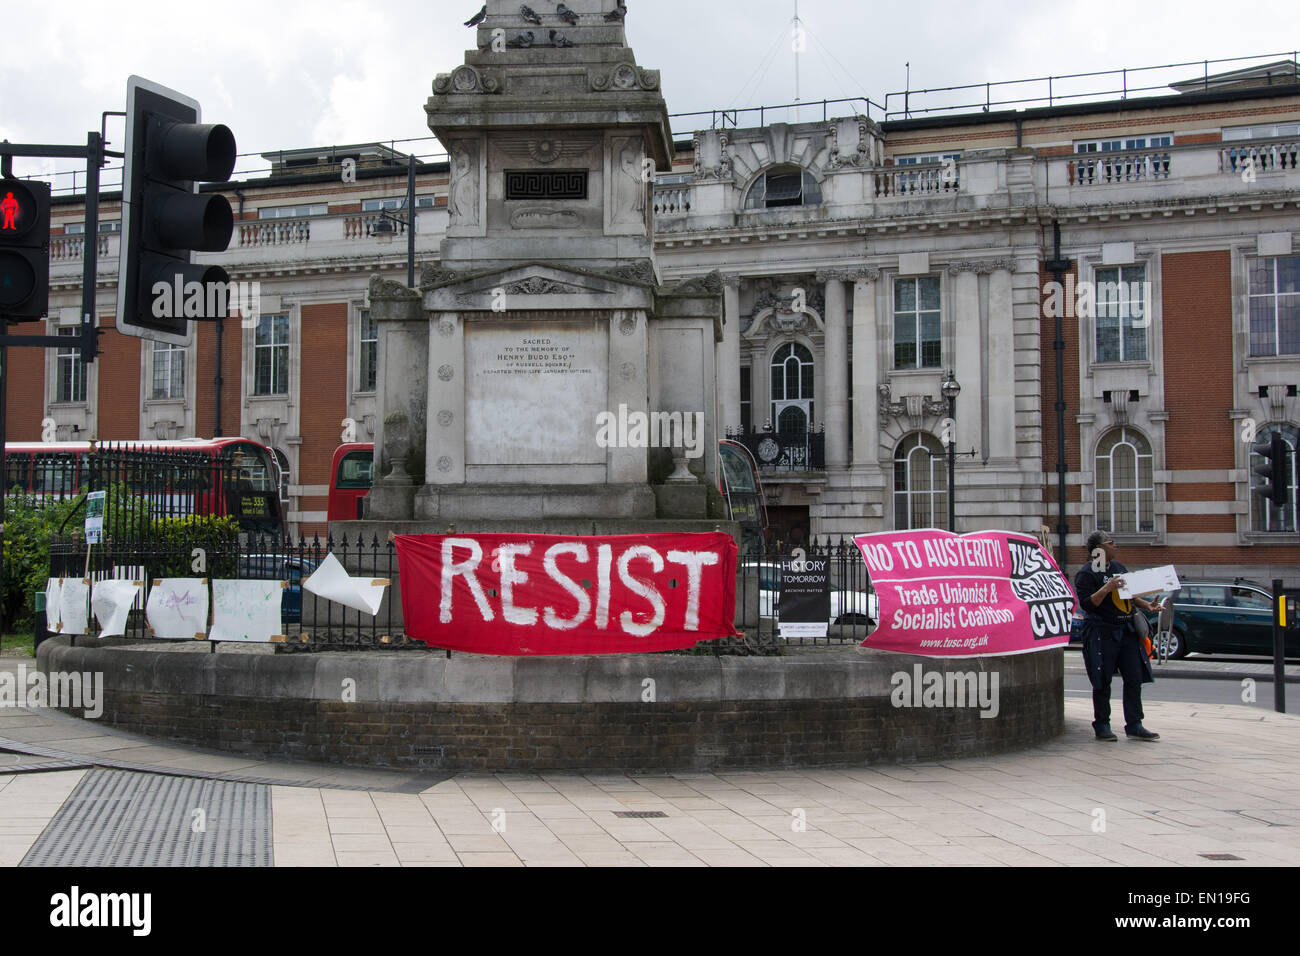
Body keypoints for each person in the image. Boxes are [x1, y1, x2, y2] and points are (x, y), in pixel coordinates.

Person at [1074, 530, 1167, 742]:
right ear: (1099, 549)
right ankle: (1102, 725)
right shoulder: (1087, 573)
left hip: (1126, 631)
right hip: (1102, 632)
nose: (1115, 546)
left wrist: (1148, 605)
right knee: (1102, 680)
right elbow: (1088, 604)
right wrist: (1107, 588)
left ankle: (1134, 724)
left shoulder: (1117, 567)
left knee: (1134, 678)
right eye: (1111, 543)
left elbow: (1130, 596)